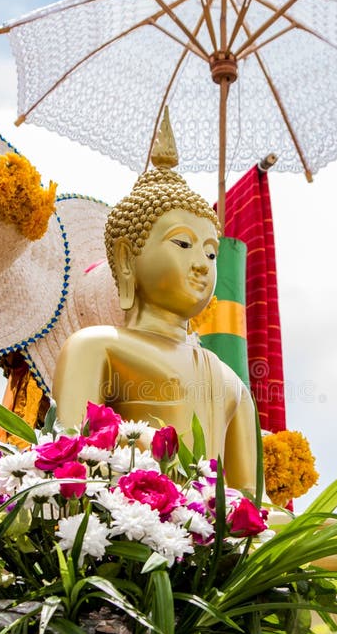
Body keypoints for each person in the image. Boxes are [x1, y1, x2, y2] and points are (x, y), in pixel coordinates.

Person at [53, 110, 258, 493]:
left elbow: (251, 507)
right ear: (128, 258)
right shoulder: (99, 347)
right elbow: (72, 459)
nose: (201, 263)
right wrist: (144, 448)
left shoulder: (232, 385)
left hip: (215, 535)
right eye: (183, 244)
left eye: (212, 253)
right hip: (133, 523)